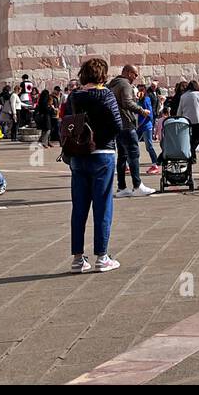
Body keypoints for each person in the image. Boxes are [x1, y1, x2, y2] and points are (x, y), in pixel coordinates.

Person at [63, 58, 122, 273]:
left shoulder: (74, 96)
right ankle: (102, 257)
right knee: (103, 205)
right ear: (102, 75)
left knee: (79, 207)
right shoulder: (106, 94)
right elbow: (117, 125)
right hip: (102, 155)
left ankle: (78, 259)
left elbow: (68, 121)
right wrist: (99, 139)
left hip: (78, 155)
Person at [108, 66, 154, 197]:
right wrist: (142, 110)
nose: (136, 77)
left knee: (122, 156)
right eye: (135, 74)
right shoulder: (125, 84)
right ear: (128, 73)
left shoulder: (113, 84)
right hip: (127, 124)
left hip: (118, 125)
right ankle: (137, 185)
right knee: (133, 155)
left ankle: (122, 187)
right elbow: (127, 103)